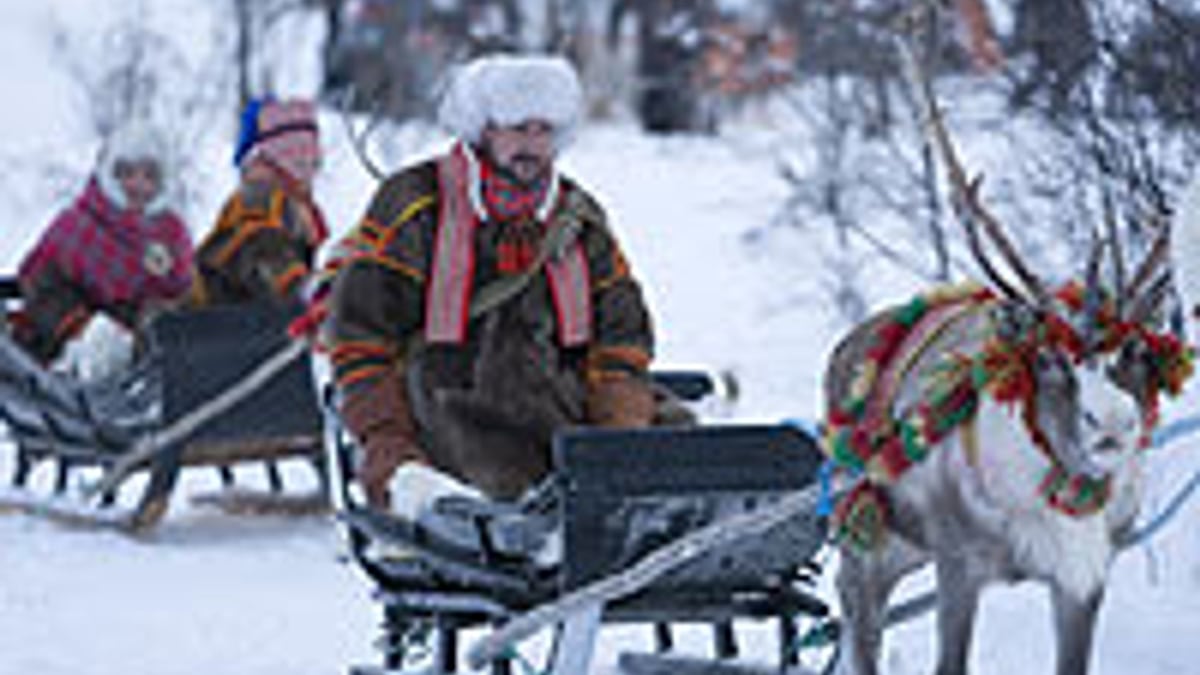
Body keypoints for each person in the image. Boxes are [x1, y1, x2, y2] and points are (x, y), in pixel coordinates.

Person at [323, 54, 657, 512]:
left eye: (544, 131)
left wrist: (620, 431)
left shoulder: (578, 218)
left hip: (567, 402)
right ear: (483, 129)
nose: (532, 145)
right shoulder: (415, 204)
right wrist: (387, 441)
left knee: (681, 460)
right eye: (518, 129)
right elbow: (360, 338)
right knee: (515, 500)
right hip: (453, 407)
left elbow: (621, 333)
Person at [12, 120, 194, 368]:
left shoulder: (172, 235)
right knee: (50, 285)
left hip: (140, 355)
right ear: (110, 175)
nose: (138, 186)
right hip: (67, 340)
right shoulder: (78, 223)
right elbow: (36, 280)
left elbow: (181, 290)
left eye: (149, 176)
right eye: (127, 174)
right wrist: (79, 327)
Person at [192, 98, 327, 307]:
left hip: (259, 302)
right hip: (223, 292)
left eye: (310, 155)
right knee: (262, 236)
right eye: (296, 154)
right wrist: (298, 286)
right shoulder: (259, 193)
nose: (306, 164)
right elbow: (262, 245)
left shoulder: (300, 204)